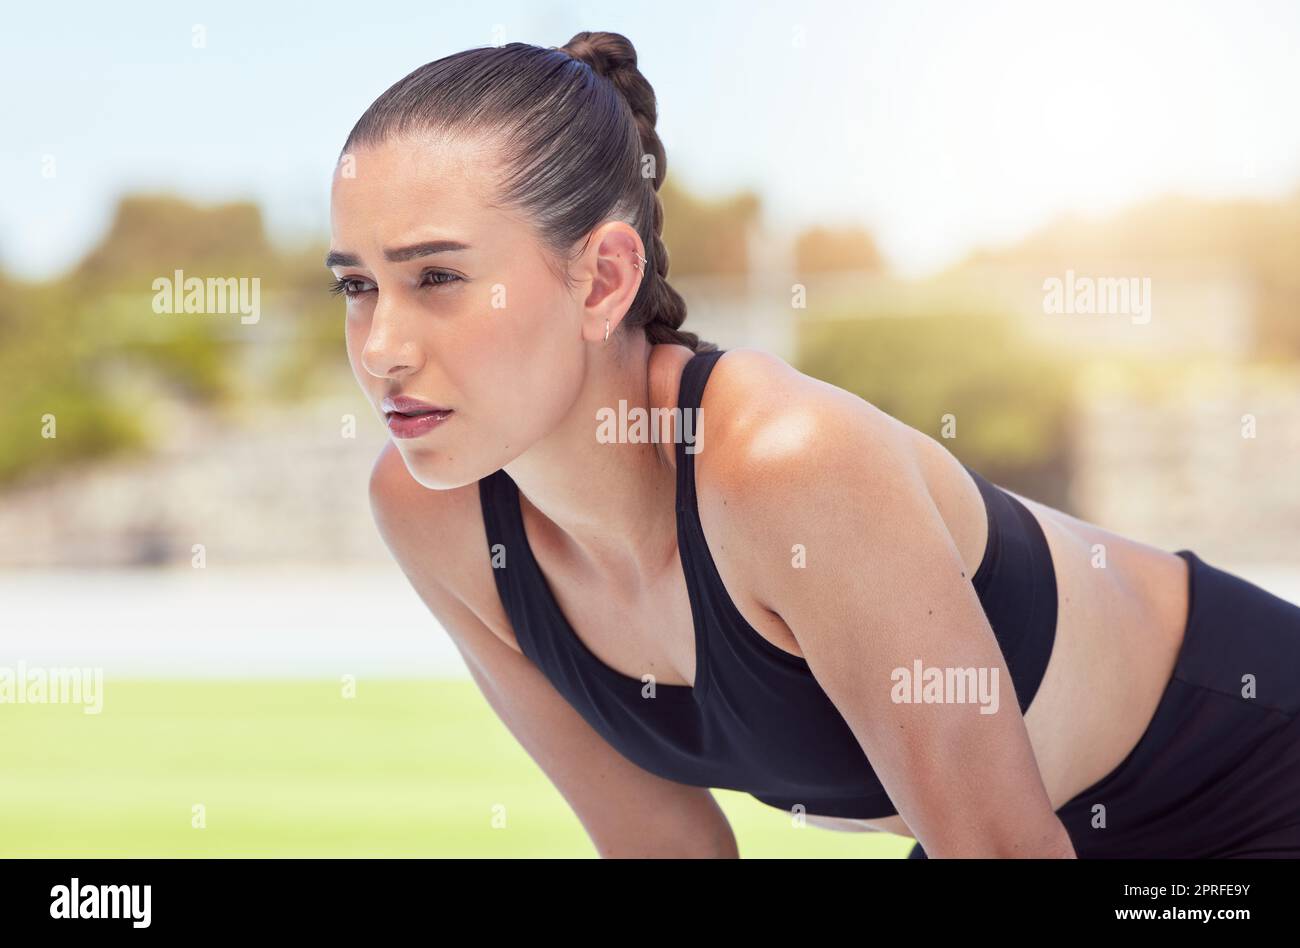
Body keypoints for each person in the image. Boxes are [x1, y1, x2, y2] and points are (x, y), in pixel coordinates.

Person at [327, 31, 1300, 858]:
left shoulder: (781, 463)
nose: (380, 349)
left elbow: (1004, 851)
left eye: (439, 279)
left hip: (1251, 780)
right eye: (356, 286)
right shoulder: (432, 515)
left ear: (601, 281)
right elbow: (665, 852)